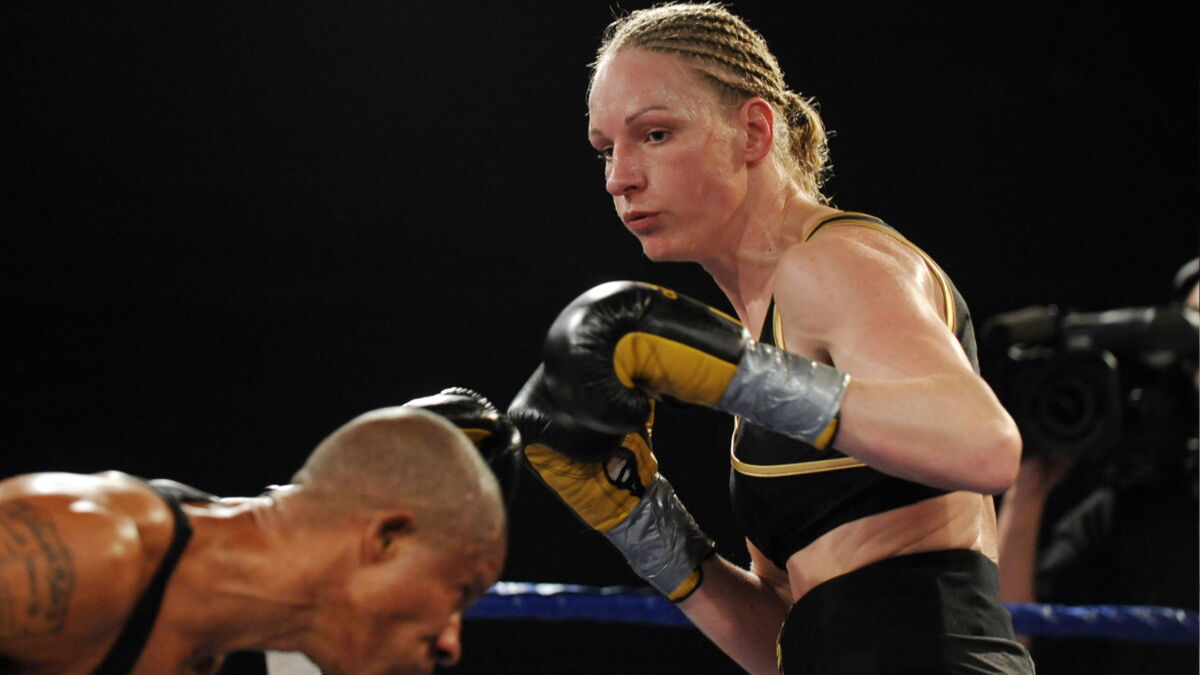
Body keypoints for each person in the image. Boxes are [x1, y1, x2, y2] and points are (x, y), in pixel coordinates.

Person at [510, 4, 1033, 674]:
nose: (620, 178)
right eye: (607, 149)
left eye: (656, 134)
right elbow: (787, 641)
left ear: (753, 130)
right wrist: (642, 523)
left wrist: (743, 375)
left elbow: (985, 445)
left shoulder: (830, 263)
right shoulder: (763, 339)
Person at [0, 389, 513, 675]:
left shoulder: (194, 643)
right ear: (384, 538)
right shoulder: (82, 552)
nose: (451, 644)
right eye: (458, 593)